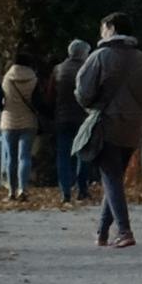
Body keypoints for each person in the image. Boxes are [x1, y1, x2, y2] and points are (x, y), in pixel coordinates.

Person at [74, 15, 142, 249]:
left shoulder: (100, 57)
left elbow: (83, 91)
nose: (101, 33)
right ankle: (102, 232)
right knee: (113, 177)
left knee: (111, 177)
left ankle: (124, 231)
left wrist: (93, 106)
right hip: (134, 127)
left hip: (107, 124)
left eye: (103, 28)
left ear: (111, 29)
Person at [48, 39, 92, 201]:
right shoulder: (88, 69)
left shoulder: (58, 70)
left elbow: (50, 95)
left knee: (63, 155)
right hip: (83, 118)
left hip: (62, 117)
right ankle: (82, 188)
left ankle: (65, 191)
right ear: (83, 54)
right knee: (84, 153)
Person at [0, 55, 42, 199]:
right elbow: (38, 102)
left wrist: (7, 109)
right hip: (28, 122)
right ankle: (23, 189)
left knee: (11, 158)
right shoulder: (34, 80)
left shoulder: (6, 79)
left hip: (9, 122)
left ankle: (11, 191)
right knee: (25, 157)